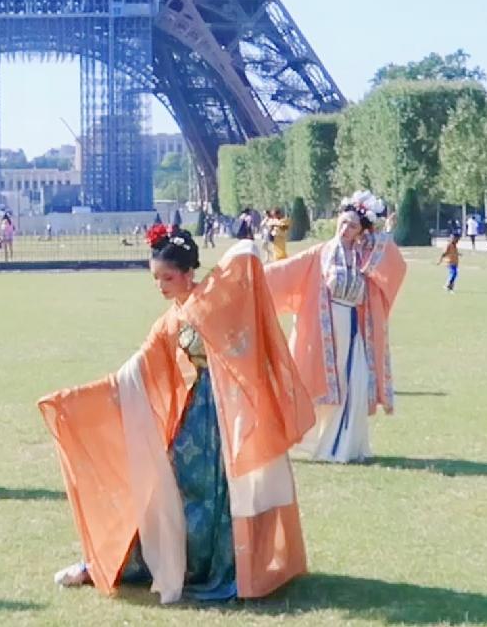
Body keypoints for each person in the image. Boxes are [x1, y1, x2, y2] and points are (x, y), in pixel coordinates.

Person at [44, 228, 313, 603]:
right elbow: (138, 366)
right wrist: (76, 400)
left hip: (230, 410)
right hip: (200, 411)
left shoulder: (215, 296)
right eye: (155, 278)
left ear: (189, 272)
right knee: (174, 486)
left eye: (167, 277)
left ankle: (230, 565)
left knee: (219, 491)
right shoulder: (174, 317)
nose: (161, 286)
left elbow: (247, 252)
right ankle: (139, 561)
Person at [262, 191, 408, 464]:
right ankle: (321, 443)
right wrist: (254, 277)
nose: (345, 229)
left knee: (355, 383)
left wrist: (381, 232)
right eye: (342, 222)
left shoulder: (367, 254)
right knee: (327, 387)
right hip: (326, 329)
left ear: (362, 230)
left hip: (354, 328)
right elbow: (285, 273)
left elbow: (393, 260)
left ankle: (347, 447)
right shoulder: (322, 254)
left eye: (352, 226)